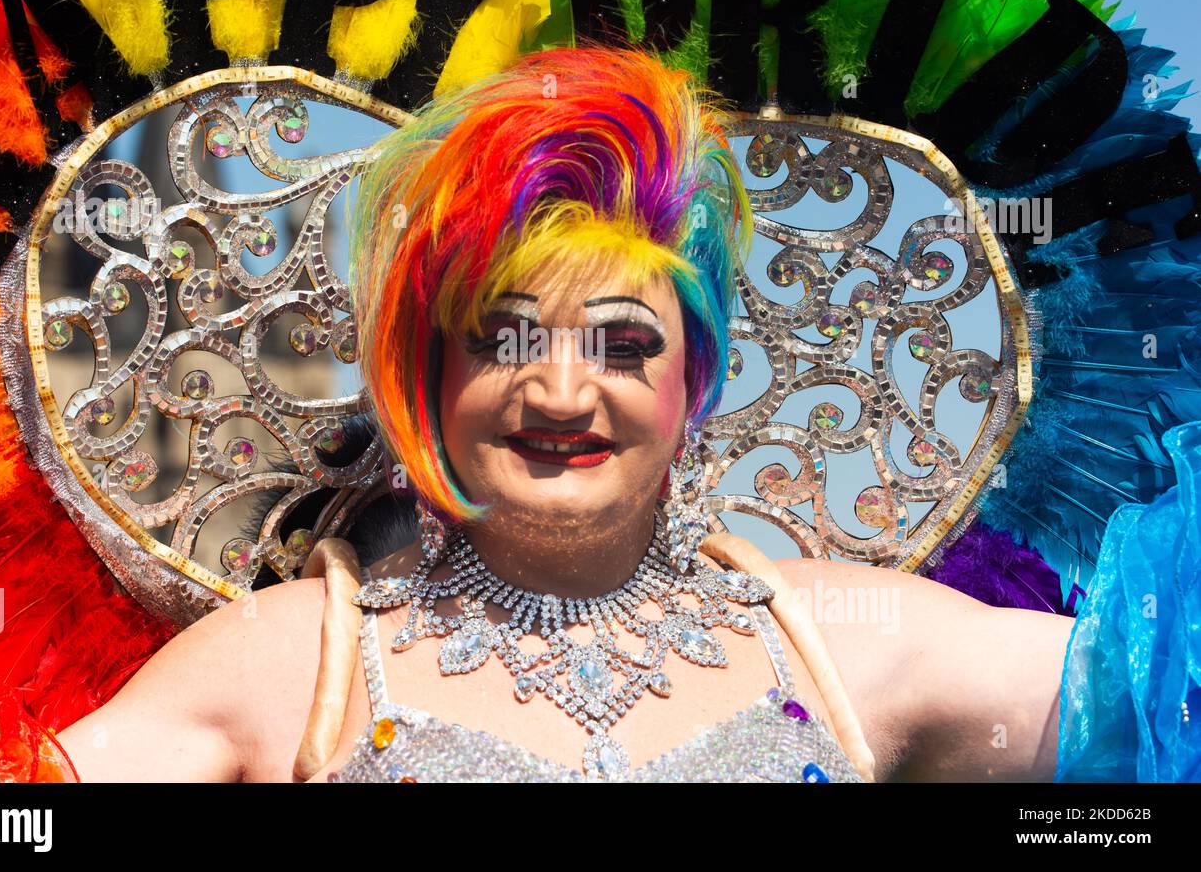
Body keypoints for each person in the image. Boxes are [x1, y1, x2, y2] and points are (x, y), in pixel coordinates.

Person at [54, 46, 1075, 783]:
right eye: (501, 338)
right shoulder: (285, 661)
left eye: (625, 346)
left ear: (693, 383)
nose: (559, 392)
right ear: (429, 369)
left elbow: (1155, 696)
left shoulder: (840, 641)